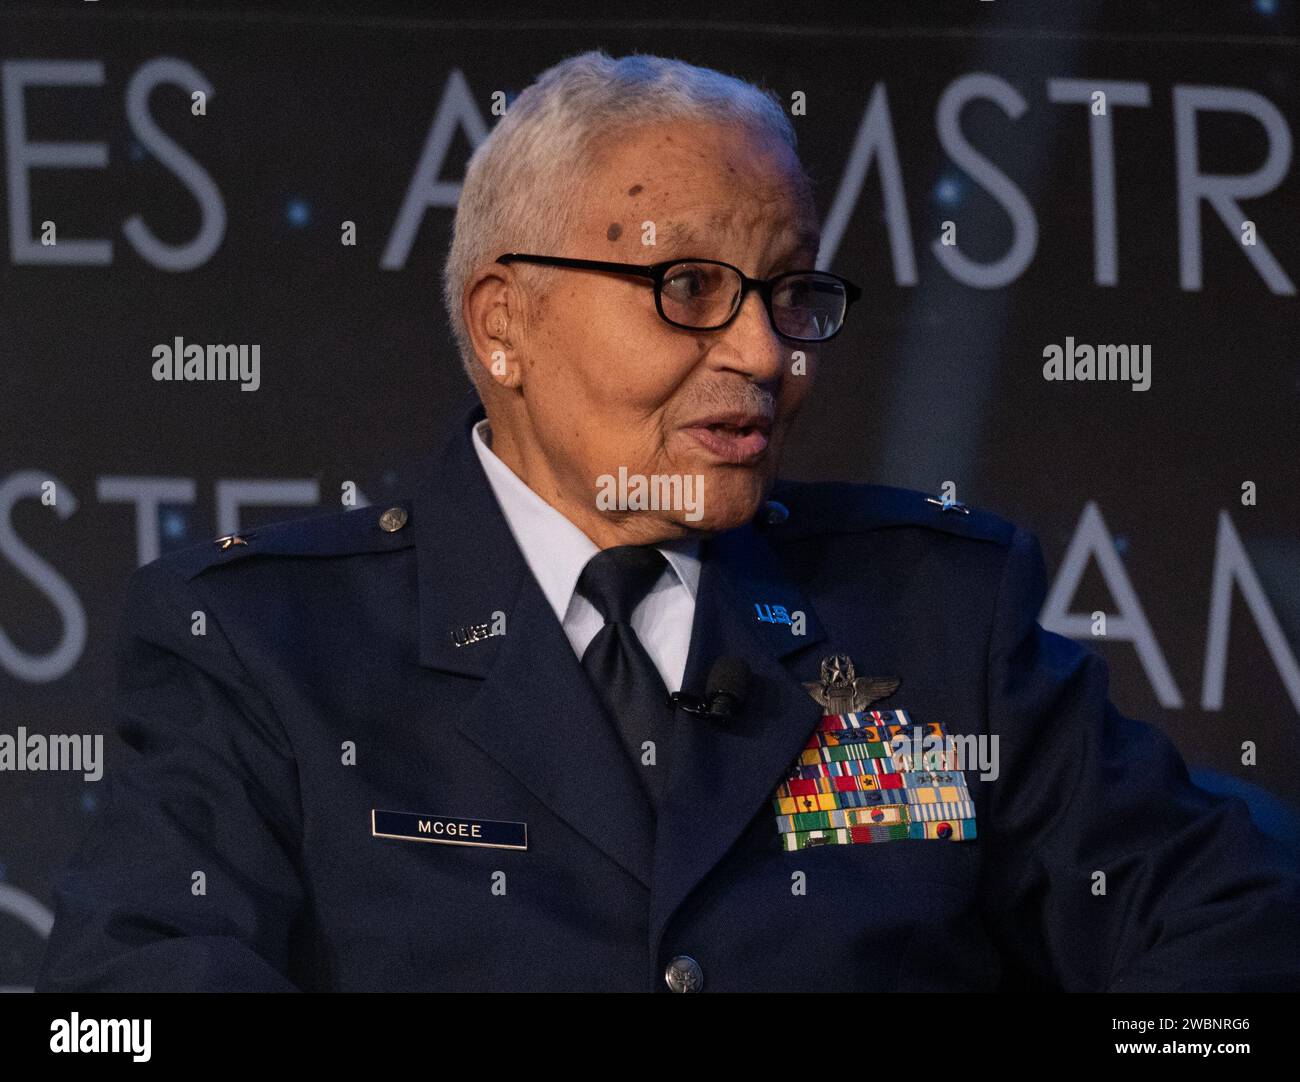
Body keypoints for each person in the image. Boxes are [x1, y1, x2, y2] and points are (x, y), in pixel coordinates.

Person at [38, 51, 1300, 993]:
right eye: (688, 287)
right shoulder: (267, 642)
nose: (762, 351)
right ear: (502, 323)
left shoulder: (934, 613)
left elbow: (1225, 924)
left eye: (789, 290)